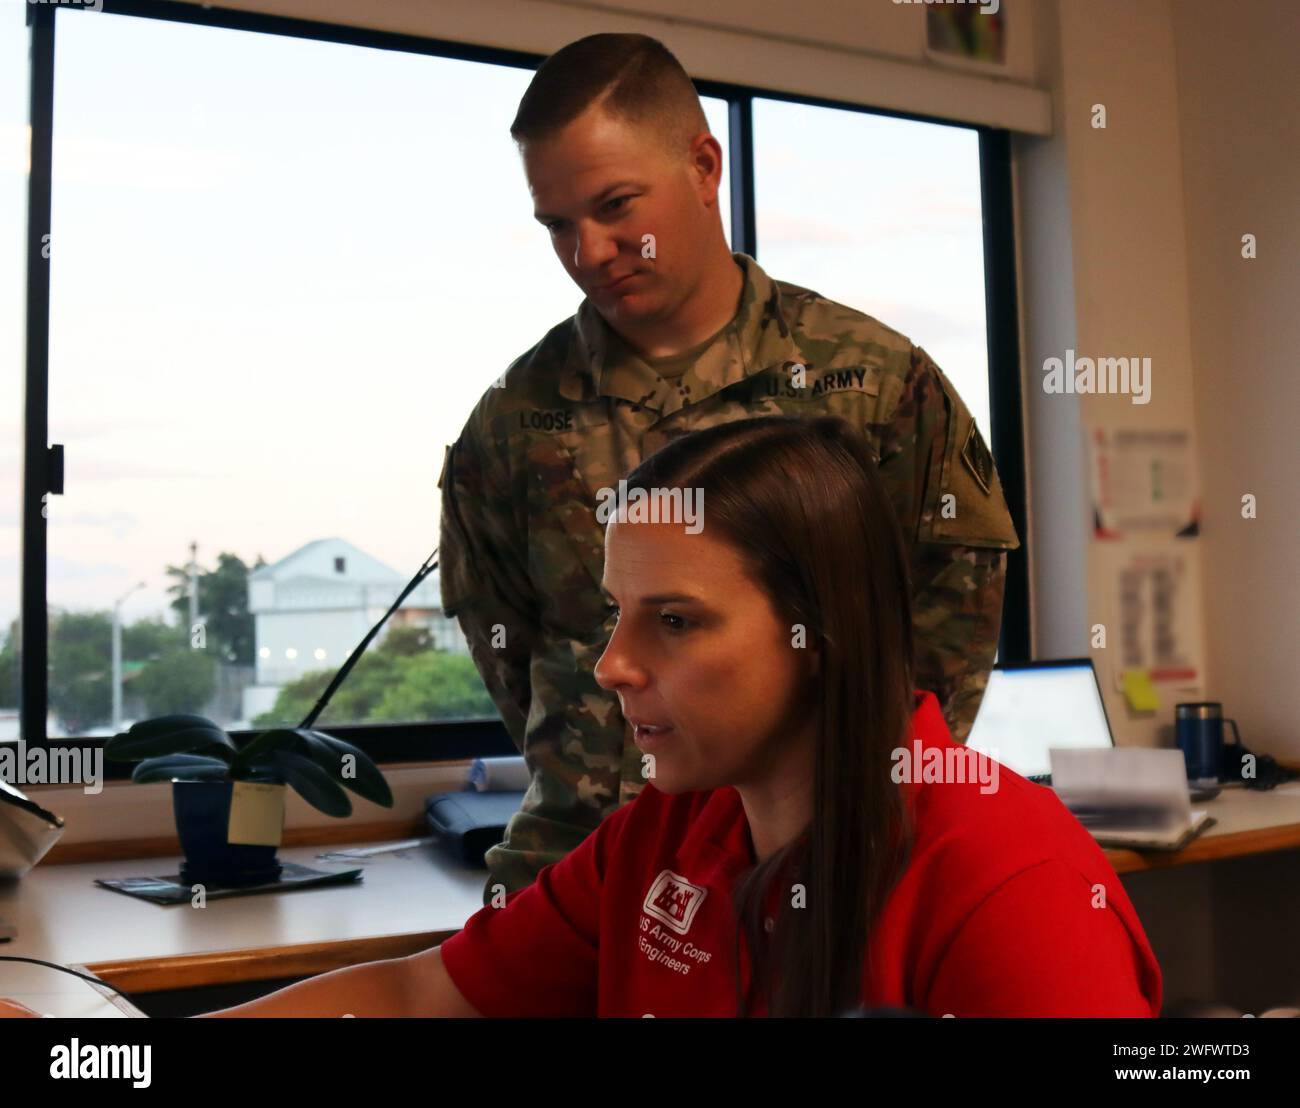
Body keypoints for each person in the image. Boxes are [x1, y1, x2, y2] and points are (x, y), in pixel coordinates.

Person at [1, 416, 1156, 1018]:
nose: (611, 664)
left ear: (821, 635)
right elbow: (419, 994)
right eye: (614, 614)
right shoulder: (669, 835)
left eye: (674, 620)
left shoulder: (1010, 889)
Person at [439, 32, 1021, 900]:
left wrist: (835, 813)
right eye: (558, 224)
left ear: (705, 167)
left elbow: (944, 639)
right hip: (582, 871)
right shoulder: (515, 421)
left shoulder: (873, 385)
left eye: (615, 206)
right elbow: (513, 655)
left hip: (814, 876)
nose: (589, 250)